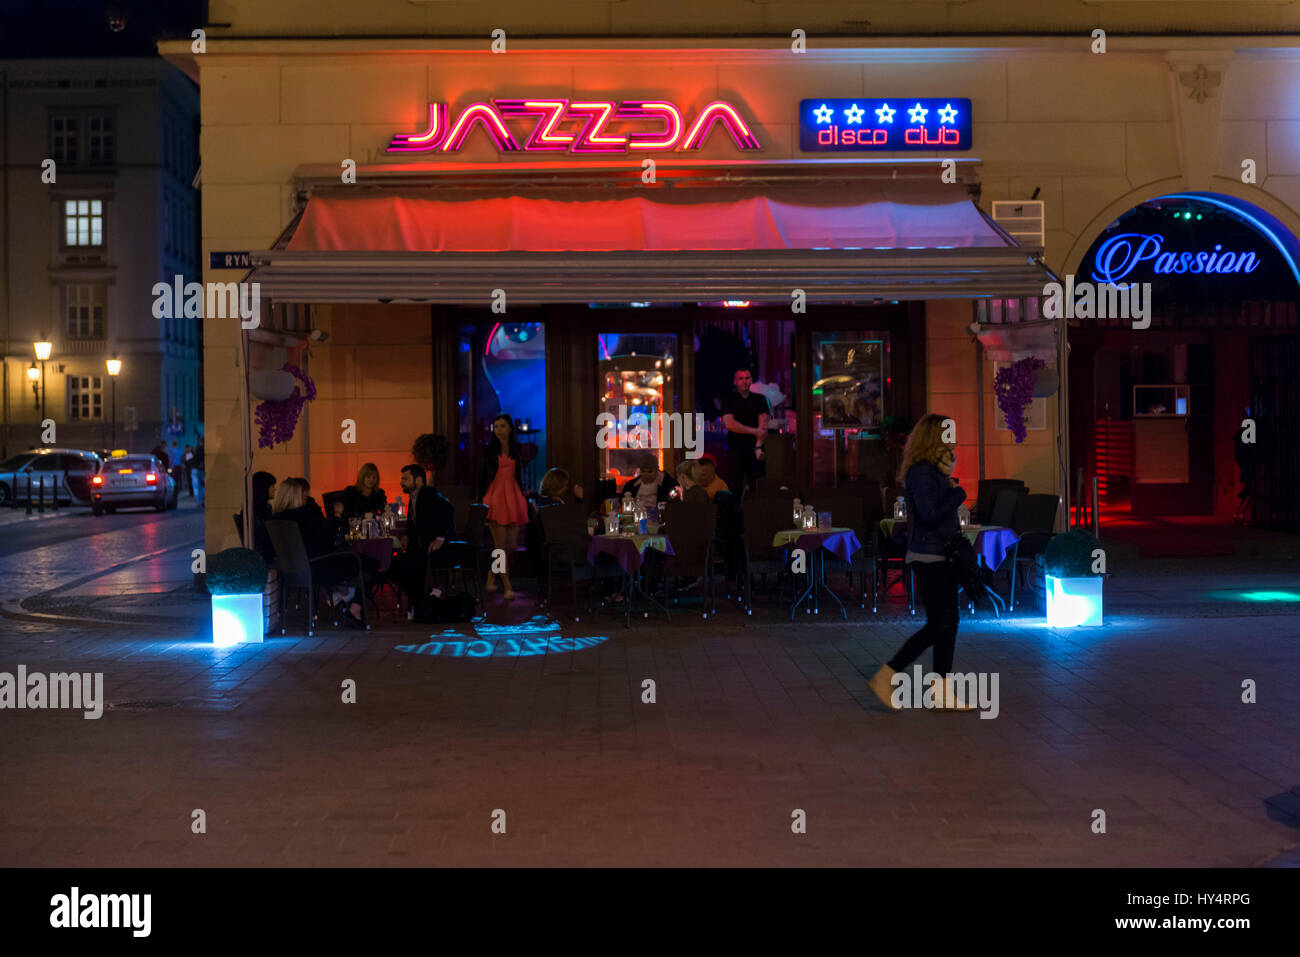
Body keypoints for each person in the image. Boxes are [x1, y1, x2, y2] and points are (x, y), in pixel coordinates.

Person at [867, 414, 974, 712]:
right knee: (939, 623)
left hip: (940, 553)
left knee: (949, 623)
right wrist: (957, 494)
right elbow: (929, 514)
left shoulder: (933, 471)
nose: (953, 436)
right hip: (929, 556)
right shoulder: (923, 472)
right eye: (947, 431)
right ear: (933, 438)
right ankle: (887, 674)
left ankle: (941, 691)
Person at [270, 477, 377, 626]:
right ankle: (354, 606)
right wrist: (337, 516)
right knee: (371, 562)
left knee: (354, 562)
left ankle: (342, 594)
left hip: (291, 571)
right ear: (295, 496)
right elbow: (328, 536)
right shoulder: (303, 515)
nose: (306, 499)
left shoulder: (276, 519)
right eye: (304, 495)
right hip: (318, 567)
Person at [390, 464, 456, 611]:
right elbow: (417, 524)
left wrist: (440, 538)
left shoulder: (427, 493)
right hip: (420, 547)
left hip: (435, 549)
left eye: (406, 479)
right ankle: (420, 600)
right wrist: (408, 535)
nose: (402, 482)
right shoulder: (414, 497)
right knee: (395, 565)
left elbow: (448, 509)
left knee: (404, 565)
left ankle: (421, 602)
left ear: (418, 480)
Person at [478, 414, 529, 601]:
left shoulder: (516, 449)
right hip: (495, 497)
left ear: (509, 428)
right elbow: (482, 476)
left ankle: (492, 576)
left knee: (511, 546)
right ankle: (507, 585)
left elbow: (519, 474)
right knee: (500, 546)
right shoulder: (489, 450)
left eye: (502, 426)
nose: (499, 429)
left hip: (513, 496)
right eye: (496, 426)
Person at [722, 367, 770, 495]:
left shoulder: (760, 399)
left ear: (751, 380)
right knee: (734, 486)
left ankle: (757, 514)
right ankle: (735, 514)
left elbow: (763, 424)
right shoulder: (729, 399)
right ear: (735, 381)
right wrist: (754, 431)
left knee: (758, 486)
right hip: (735, 449)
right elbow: (730, 424)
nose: (744, 381)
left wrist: (758, 445)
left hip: (755, 450)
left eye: (747, 378)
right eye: (741, 378)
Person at [234, 470, 277, 561]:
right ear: (264, 487)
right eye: (272, 486)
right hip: (265, 555)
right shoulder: (256, 511)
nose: (275, 489)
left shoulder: (254, 508)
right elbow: (264, 536)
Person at [191, 438, 205, 506]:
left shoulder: (194, 450)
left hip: (195, 469)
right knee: (203, 486)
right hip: (201, 469)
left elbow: (188, 459)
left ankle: (198, 501)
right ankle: (203, 501)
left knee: (196, 487)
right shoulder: (204, 450)